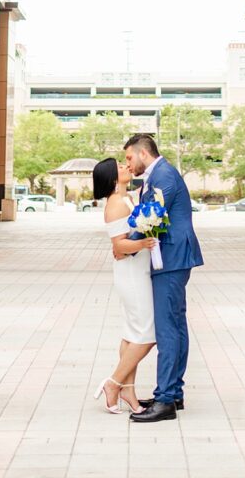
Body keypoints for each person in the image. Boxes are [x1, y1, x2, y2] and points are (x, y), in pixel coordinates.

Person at [122, 132, 204, 423]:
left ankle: (166, 399)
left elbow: (151, 216)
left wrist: (124, 245)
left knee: (167, 329)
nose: (128, 164)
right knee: (176, 326)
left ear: (144, 153)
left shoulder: (164, 176)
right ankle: (173, 393)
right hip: (171, 257)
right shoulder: (157, 176)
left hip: (171, 258)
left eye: (129, 158)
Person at [91, 156, 157, 414]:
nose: (126, 166)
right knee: (147, 334)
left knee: (132, 333)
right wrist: (144, 243)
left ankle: (128, 391)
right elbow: (119, 245)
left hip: (137, 270)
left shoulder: (128, 197)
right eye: (119, 166)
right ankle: (114, 383)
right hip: (130, 274)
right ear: (111, 177)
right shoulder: (115, 204)